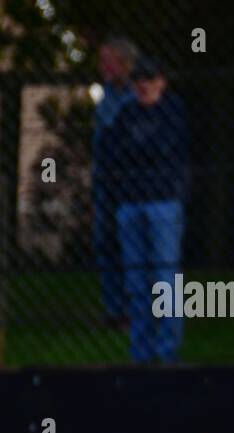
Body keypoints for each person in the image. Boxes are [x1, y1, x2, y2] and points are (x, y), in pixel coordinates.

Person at [104, 57, 189, 363]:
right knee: (137, 282)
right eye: (139, 79)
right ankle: (140, 353)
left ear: (162, 81)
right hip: (131, 202)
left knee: (164, 279)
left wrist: (139, 152)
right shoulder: (126, 114)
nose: (144, 85)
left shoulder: (173, 111)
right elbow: (113, 152)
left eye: (150, 79)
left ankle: (168, 353)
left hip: (163, 202)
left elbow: (164, 148)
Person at [92, 37, 137, 329]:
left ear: (124, 63)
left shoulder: (137, 93)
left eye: (107, 60)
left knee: (130, 246)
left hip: (131, 181)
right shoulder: (105, 94)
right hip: (104, 180)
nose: (102, 67)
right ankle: (114, 310)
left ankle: (135, 310)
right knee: (105, 243)